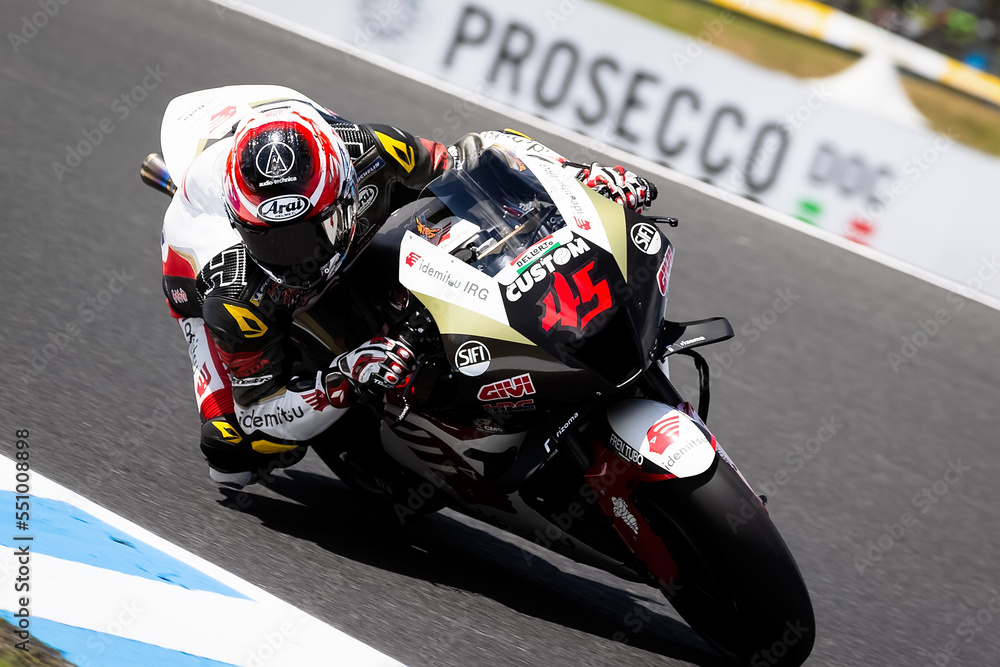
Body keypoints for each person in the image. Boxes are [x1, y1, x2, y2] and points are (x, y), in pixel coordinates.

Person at [159, 89, 657, 488]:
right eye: (272, 241)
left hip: (288, 122)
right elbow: (261, 413)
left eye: (305, 233)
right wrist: (344, 378)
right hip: (191, 269)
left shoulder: (367, 152)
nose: (293, 258)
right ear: (242, 225)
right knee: (233, 454)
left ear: (344, 195)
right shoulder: (232, 290)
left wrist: (579, 177)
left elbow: (480, 153)